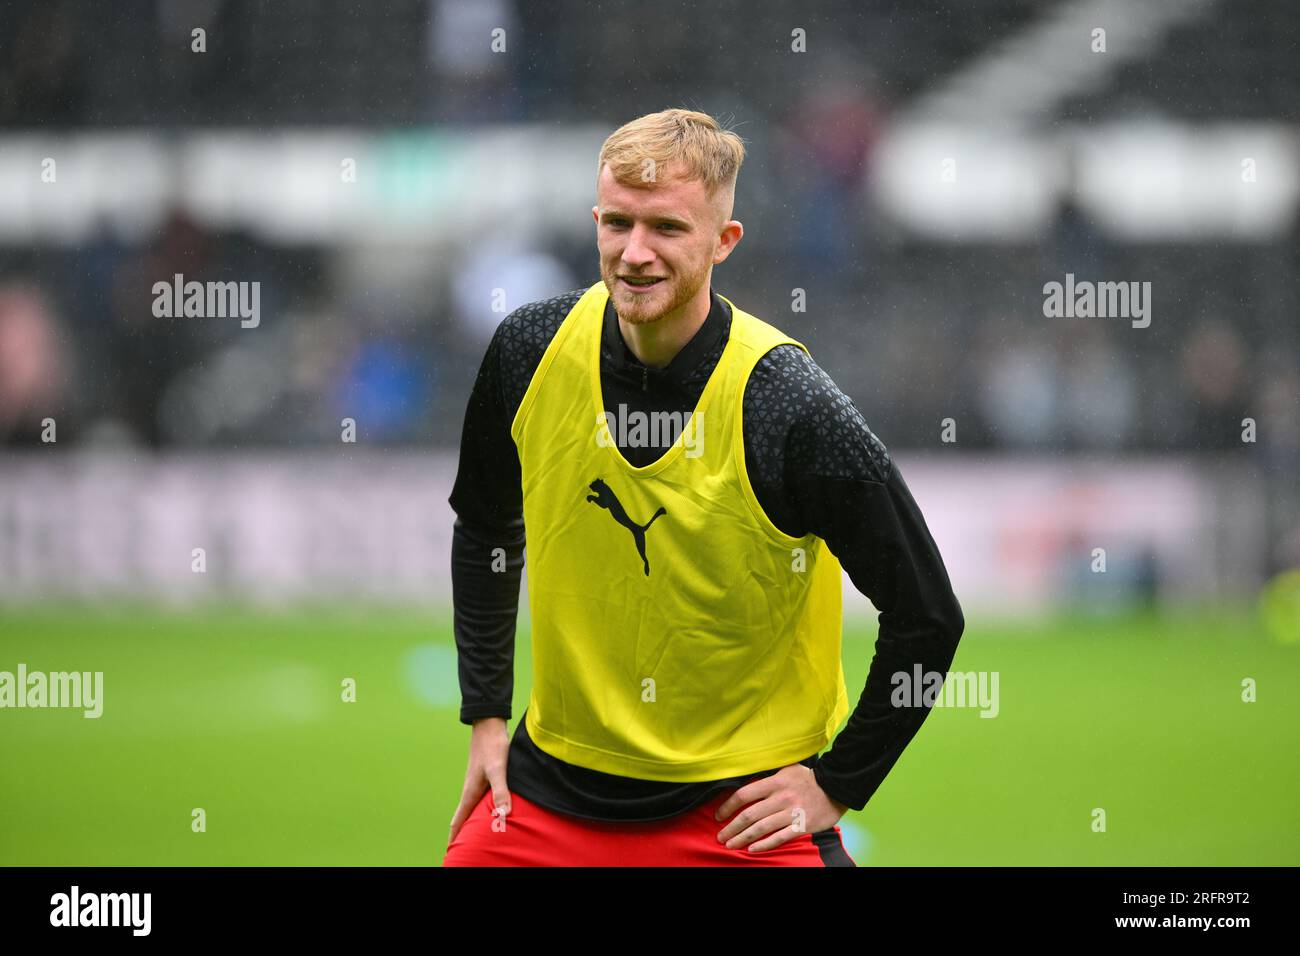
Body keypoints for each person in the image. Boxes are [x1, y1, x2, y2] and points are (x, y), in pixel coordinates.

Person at [443, 108, 964, 866]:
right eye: (616, 223)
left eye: (667, 229)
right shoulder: (527, 349)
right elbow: (486, 527)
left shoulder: (789, 405)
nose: (635, 253)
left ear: (725, 241)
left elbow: (927, 617)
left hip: (739, 821)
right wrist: (487, 713)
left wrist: (837, 784)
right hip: (544, 803)